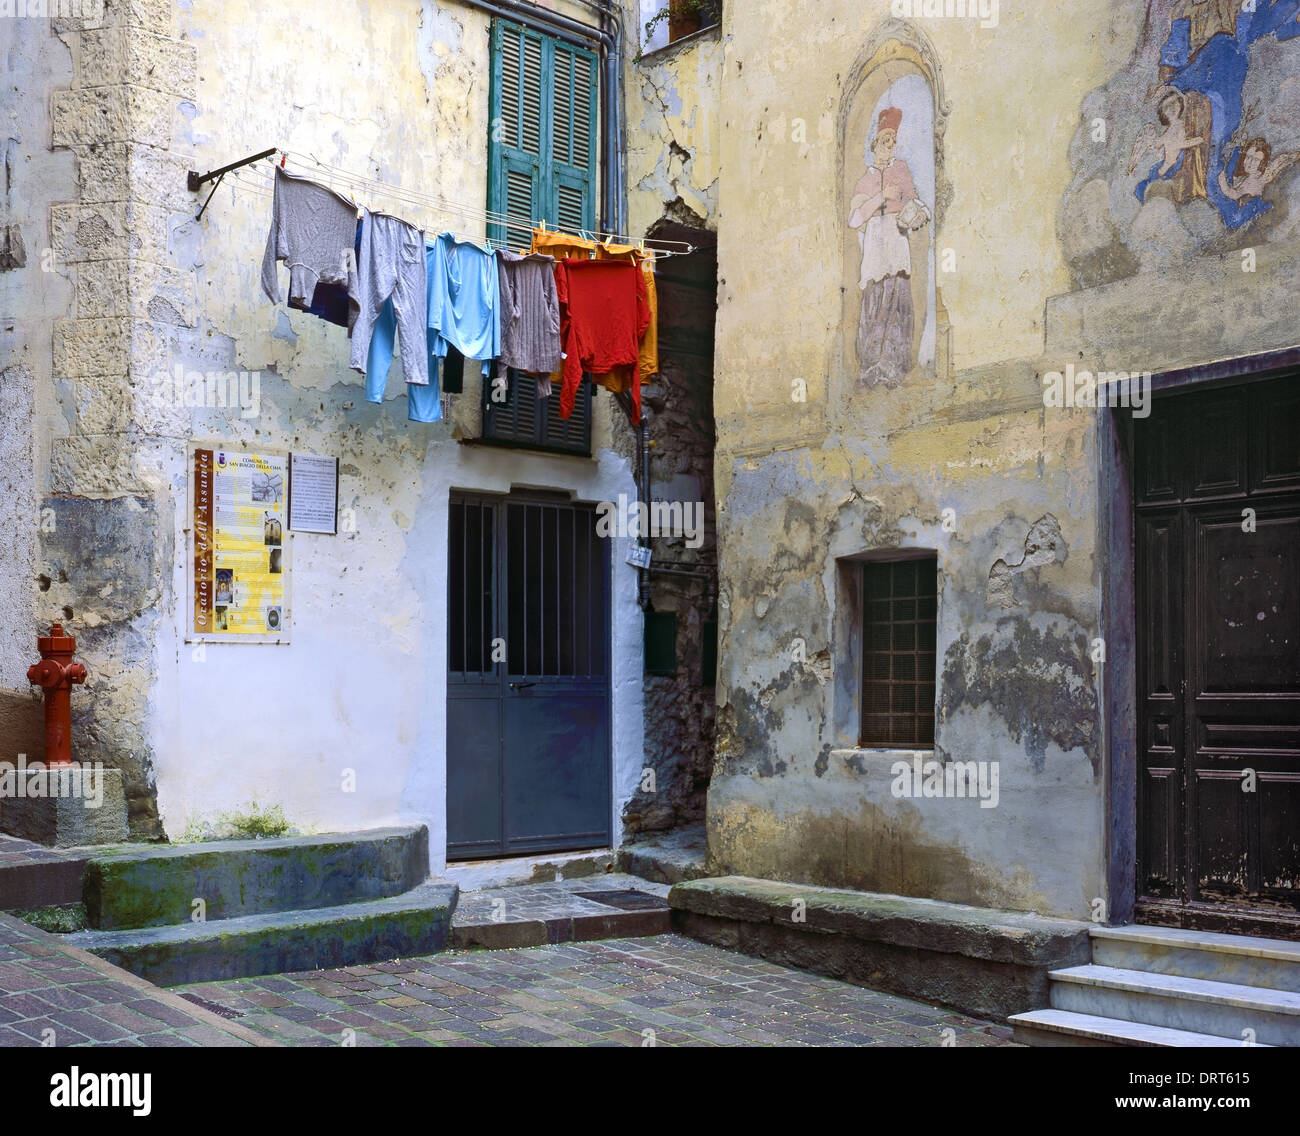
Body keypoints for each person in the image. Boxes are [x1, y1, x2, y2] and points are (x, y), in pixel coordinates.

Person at [848, 106, 930, 387]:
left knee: (897, 300)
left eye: (893, 142)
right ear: (874, 144)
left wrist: (918, 214)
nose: (890, 147)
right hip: (875, 243)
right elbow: (855, 218)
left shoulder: (902, 170)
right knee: (876, 301)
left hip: (896, 241)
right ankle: (871, 366)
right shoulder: (866, 179)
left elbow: (913, 202)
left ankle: (892, 364)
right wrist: (881, 196)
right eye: (885, 141)